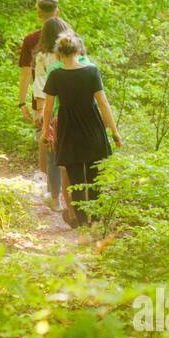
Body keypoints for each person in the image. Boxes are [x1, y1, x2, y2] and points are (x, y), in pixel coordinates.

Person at [41, 33, 123, 228]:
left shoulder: (55, 75)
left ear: (58, 53)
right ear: (79, 50)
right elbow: (103, 104)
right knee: (96, 180)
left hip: (69, 131)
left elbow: (48, 108)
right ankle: (95, 224)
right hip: (93, 129)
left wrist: (46, 132)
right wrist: (114, 132)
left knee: (76, 182)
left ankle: (83, 229)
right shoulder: (91, 71)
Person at [31, 16, 75, 209]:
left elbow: (40, 85)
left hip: (54, 110)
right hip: (74, 109)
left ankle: (56, 197)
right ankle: (75, 199)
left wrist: (40, 111)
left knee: (53, 153)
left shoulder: (42, 56)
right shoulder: (77, 56)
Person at [17, 0, 61, 127]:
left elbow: (26, 73)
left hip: (41, 99)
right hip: (67, 97)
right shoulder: (69, 38)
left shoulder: (30, 40)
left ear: (39, 14)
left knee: (43, 139)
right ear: (57, 12)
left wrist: (22, 103)